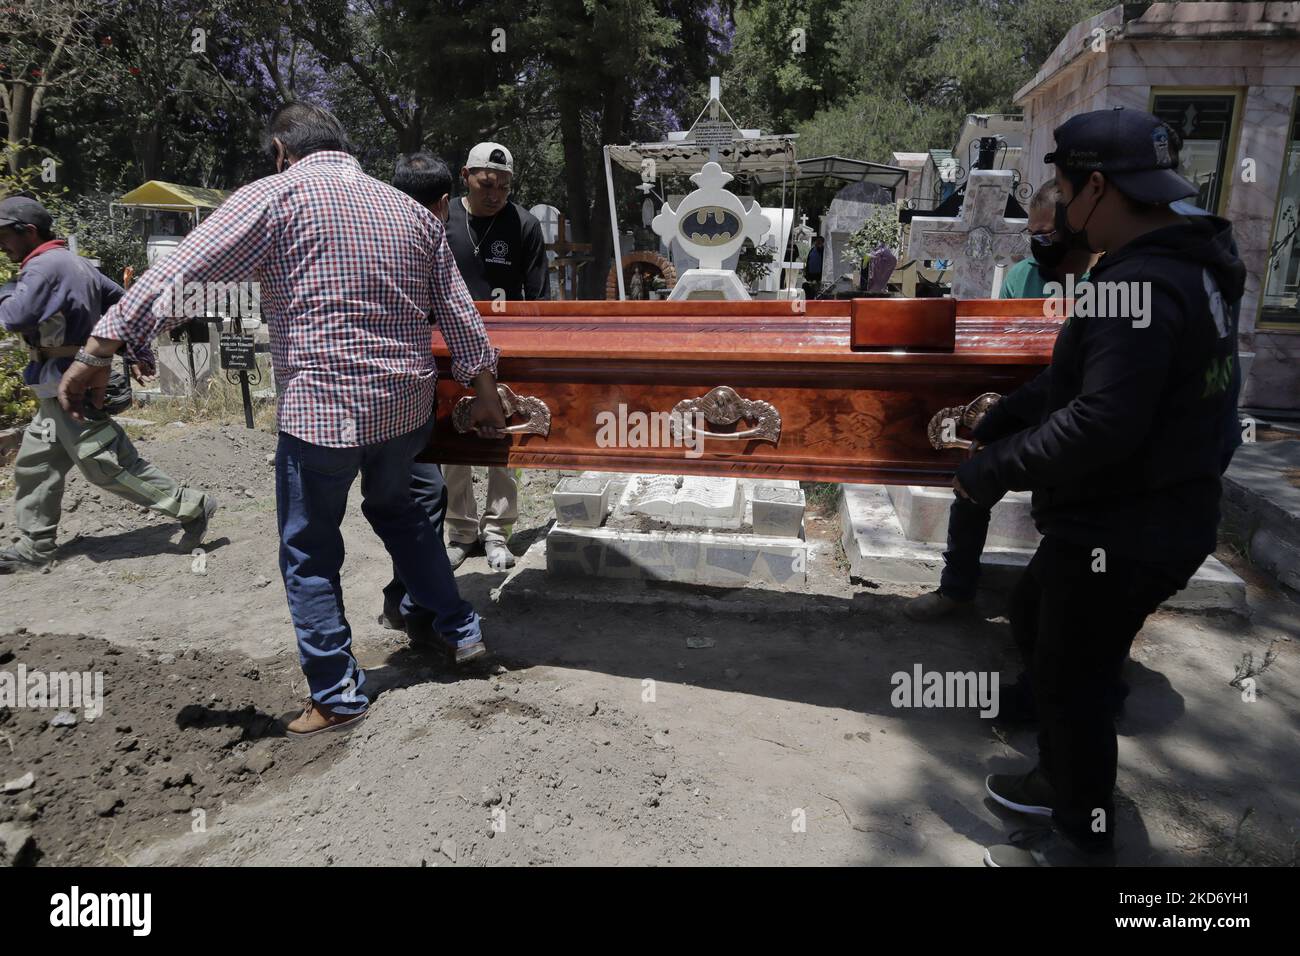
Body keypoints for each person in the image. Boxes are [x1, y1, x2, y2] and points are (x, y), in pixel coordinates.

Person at [59, 102, 509, 737]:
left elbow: (184, 273)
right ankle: (462, 634)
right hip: (404, 408)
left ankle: (336, 694)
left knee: (309, 549)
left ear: (281, 150)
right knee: (402, 515)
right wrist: (485, 390)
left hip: (324, 411)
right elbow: (460, 310)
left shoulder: (274, 196)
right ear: (344, 144)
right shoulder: (410, 211)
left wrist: (103, 346)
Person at [954, 108, 1244, 866]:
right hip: (1148, 512)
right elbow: (1087, 377)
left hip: (1129, 524)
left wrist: (992, 471)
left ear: (1095, 186)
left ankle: (1081, 841)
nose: (1054, 207)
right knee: (1034, 613)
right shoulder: (1188, 261)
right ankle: (1061, 775)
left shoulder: (1144, 281)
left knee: (1071, 678)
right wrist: (1011, 412)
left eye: (1060, 185)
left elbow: (1101, 422)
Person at [905, 182, 1097, 621]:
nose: (1039, 243)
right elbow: (998, 340)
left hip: (1072, 411)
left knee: (1064, 513)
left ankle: (1059, 605)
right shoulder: (1021, 275)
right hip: (1019, 403)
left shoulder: (1100, 283)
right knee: (973, 488)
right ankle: (956, 589)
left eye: (1047, 234)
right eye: (1034, 233)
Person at [0, 196, 217, 574]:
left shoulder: (42, 267)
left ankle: (192, 505)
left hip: (71, 384)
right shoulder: (75, 262)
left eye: (4, 235)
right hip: (55, 388)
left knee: (107, 465)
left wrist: (5, 289)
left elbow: (17, 316)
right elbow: (124, 300)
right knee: (35, 466)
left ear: (28, 231)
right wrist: (131, 351)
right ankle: (35, 546)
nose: (2, 245)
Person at [442, 142, 549, 571]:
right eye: (488, 183)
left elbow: (539, 297)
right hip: (450, 344)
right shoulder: (442, 217)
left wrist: (537, 351)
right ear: (465, 174)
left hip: (506, 348)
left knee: (507, 438)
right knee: (454, 438)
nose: (497, 194)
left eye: (505, 186)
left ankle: (497, 531)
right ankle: (460, 530)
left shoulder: (522, 224)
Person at [376, 150, 462, 643]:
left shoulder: (368, 232)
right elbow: (456, 316)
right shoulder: (427, 234)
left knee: (410, 498)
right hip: (403, 396)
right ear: (445, 202)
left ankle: (401, 597)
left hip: (333, 404)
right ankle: (420, 610)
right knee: (419, 497)